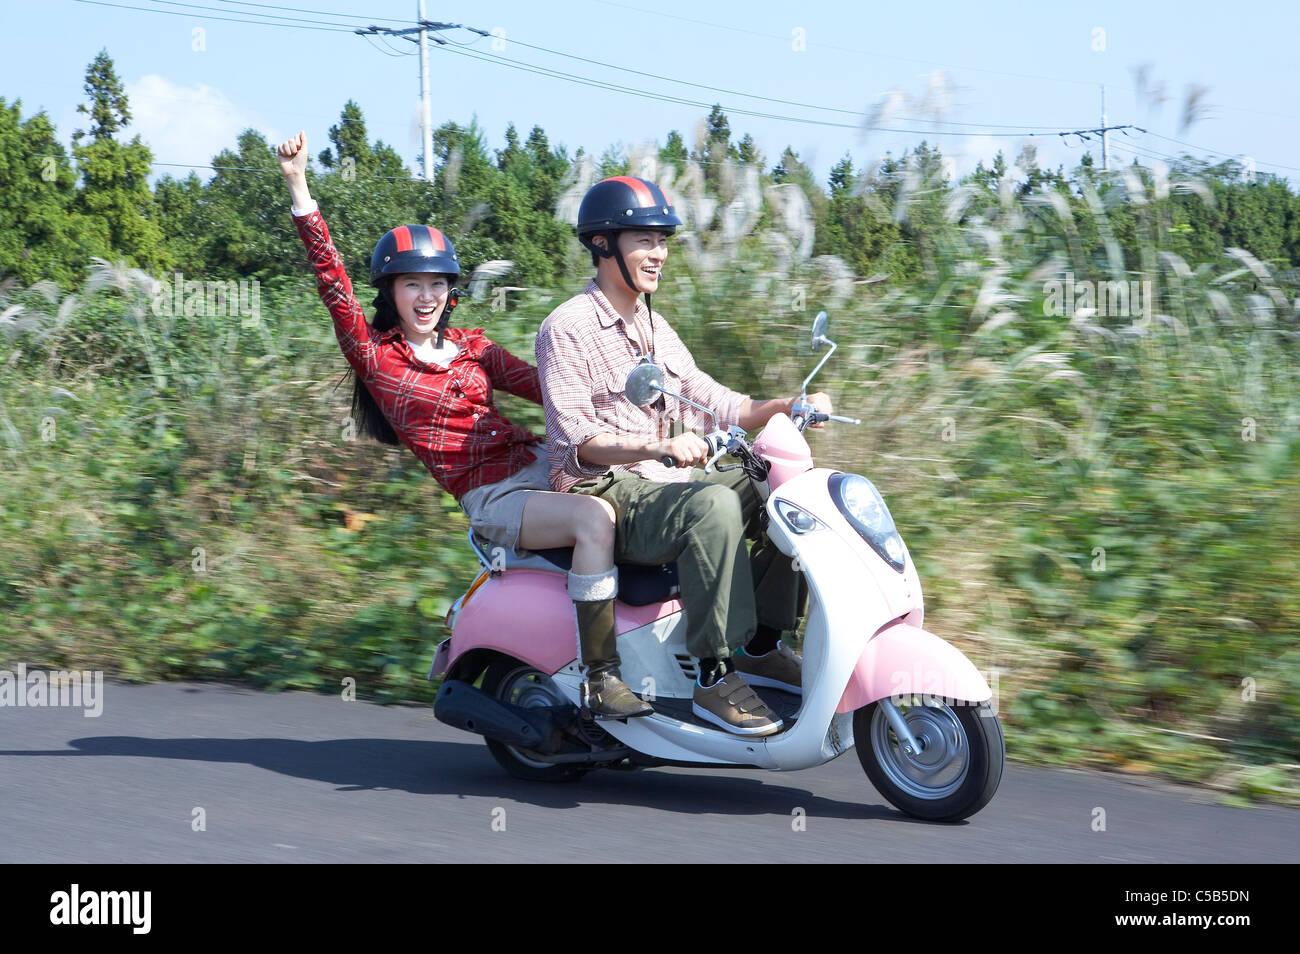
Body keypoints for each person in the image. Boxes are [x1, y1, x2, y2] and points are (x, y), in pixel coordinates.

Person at [276, 132, 651, 721]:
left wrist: (644, 402)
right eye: (411, 284)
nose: (426, 296)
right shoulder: (377, 358)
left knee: (655, 491)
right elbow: (331, 281)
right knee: (594, 517)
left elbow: (552, 386)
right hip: (493, 496)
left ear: (450, 291)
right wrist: (299, 185)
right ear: (391, 292)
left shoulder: (474, 347)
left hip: (542, 463)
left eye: (437, 284)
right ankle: (601, 679)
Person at [535, 175, 833, 738]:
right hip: (606, 489)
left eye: (663, 241)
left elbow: (711, 401)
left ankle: (762, 644)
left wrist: (787, 406)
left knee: (785, 482)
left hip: (659, 481)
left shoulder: (652, 324)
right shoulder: (566, 328)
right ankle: (714, 677)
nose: (659, 255)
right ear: (604, 244)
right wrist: (658, 445)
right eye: (644, 241)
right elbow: (573, 440)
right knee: (714, 507)